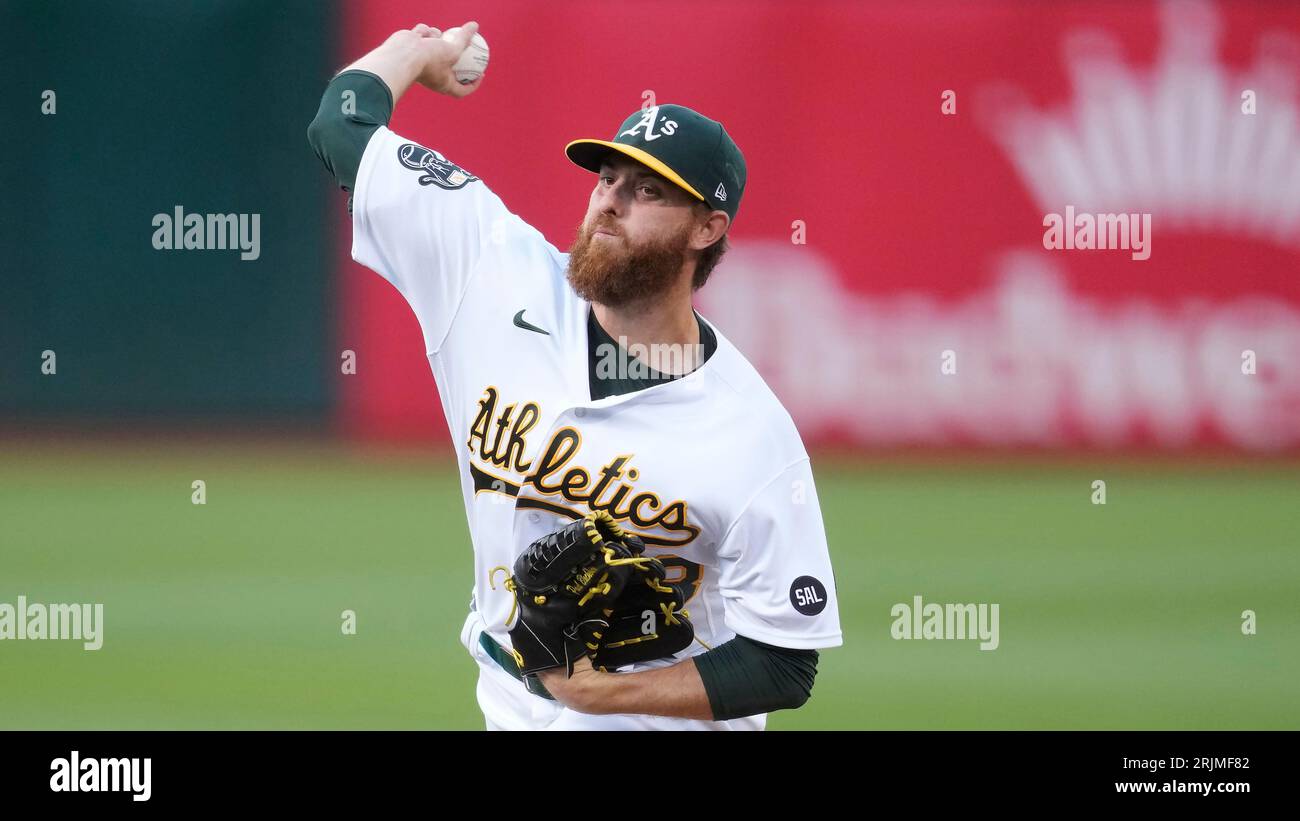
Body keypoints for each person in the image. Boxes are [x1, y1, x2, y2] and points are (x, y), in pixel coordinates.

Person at [308, 21, 842, 730]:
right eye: (607, 177)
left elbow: (785, 662)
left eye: (648, 190)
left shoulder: (751, 434)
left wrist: (598, 692)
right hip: (503, 701)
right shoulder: (491, 269)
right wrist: (418, 51)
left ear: (706, 229)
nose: (609, 203)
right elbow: (341, 127)